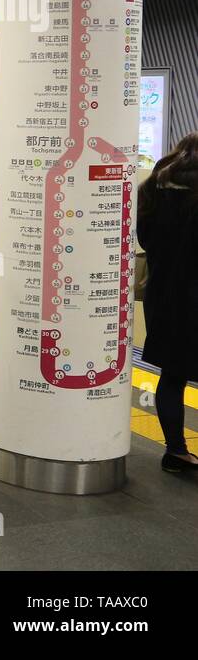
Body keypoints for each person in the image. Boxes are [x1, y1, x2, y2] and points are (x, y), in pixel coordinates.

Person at [136, 132, 198, 474]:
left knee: (172, 377)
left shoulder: (152, 190)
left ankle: (176, 451)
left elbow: (145, 239)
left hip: (163, 297)